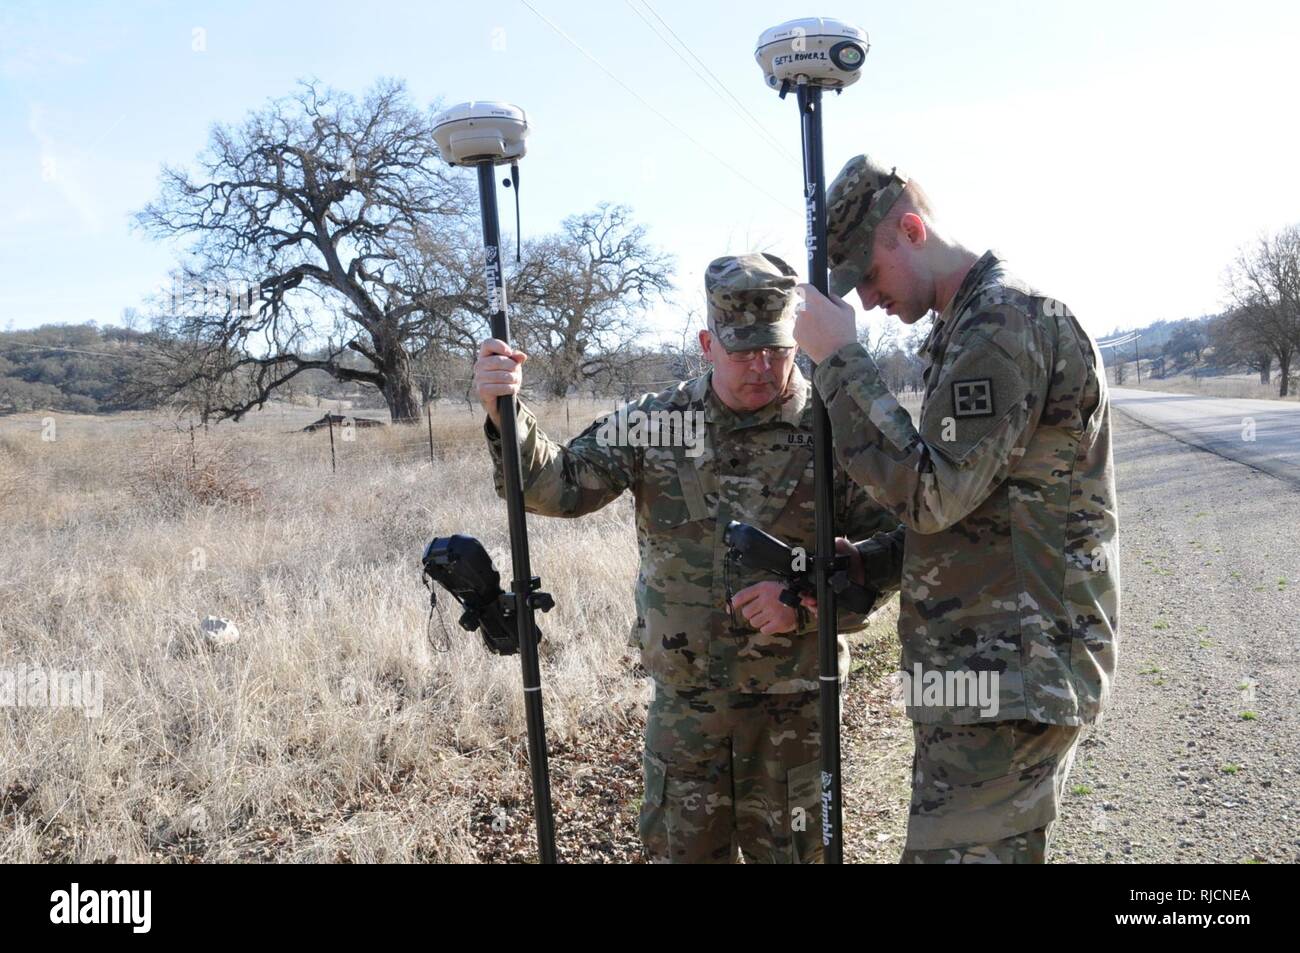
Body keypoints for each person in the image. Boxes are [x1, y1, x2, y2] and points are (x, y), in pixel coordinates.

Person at [473, 251, 899, 863]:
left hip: (797, 710)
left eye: (776, 350)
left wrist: (807, 605)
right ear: (706, 342)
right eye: (742, 350)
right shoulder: (658, 423)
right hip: (688, 709)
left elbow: (890, 551)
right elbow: (556, 486)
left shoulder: (836, 430)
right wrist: (504, 410)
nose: (761, 366)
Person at [792, 155, 1120, 863]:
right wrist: (875, 561)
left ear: (910, 229)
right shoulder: (968, 327)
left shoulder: (1004, 324)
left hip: (1013, 676)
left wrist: (842, 362)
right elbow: (980, 508)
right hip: (983, 675)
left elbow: (931, 493)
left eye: (869, 278)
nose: (870, 302)